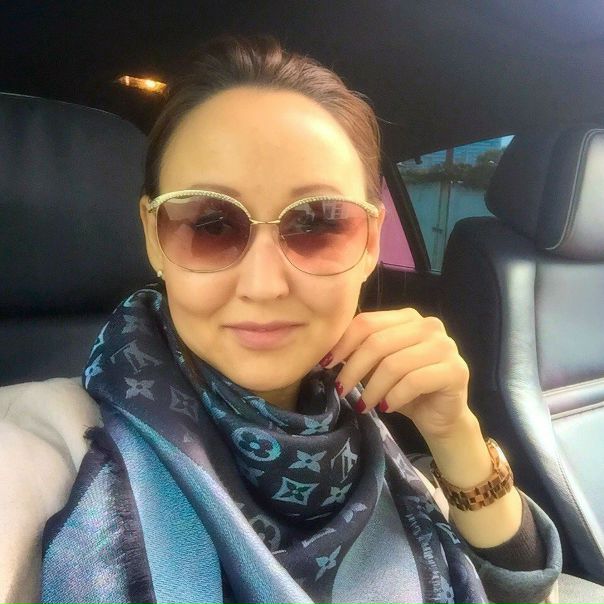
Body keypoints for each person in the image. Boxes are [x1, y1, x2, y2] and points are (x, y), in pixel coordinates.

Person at [1, 35, 561, 604]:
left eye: (317, 222)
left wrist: (455, 435)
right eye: (211, 225)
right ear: (153, 236)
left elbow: (522, 593)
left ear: (370, 241)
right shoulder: (44, 454)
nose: (264, 285)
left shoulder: (377, 449)